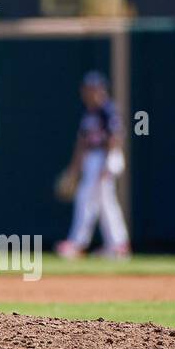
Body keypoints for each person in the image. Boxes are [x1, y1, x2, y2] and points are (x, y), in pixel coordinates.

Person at [57, 71, 130, 259]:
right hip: (94, 158)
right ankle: (118, 246)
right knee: (104, 202)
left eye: (93, 89)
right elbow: (81, 144)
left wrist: (106, 165)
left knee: (86, 198)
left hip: (106, 156)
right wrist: (74, 171)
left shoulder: (108, 110)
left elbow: (116, 138)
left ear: (101, 90)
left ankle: (77, 243)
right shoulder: (89, 113)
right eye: (87, 89)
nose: (89, 93)